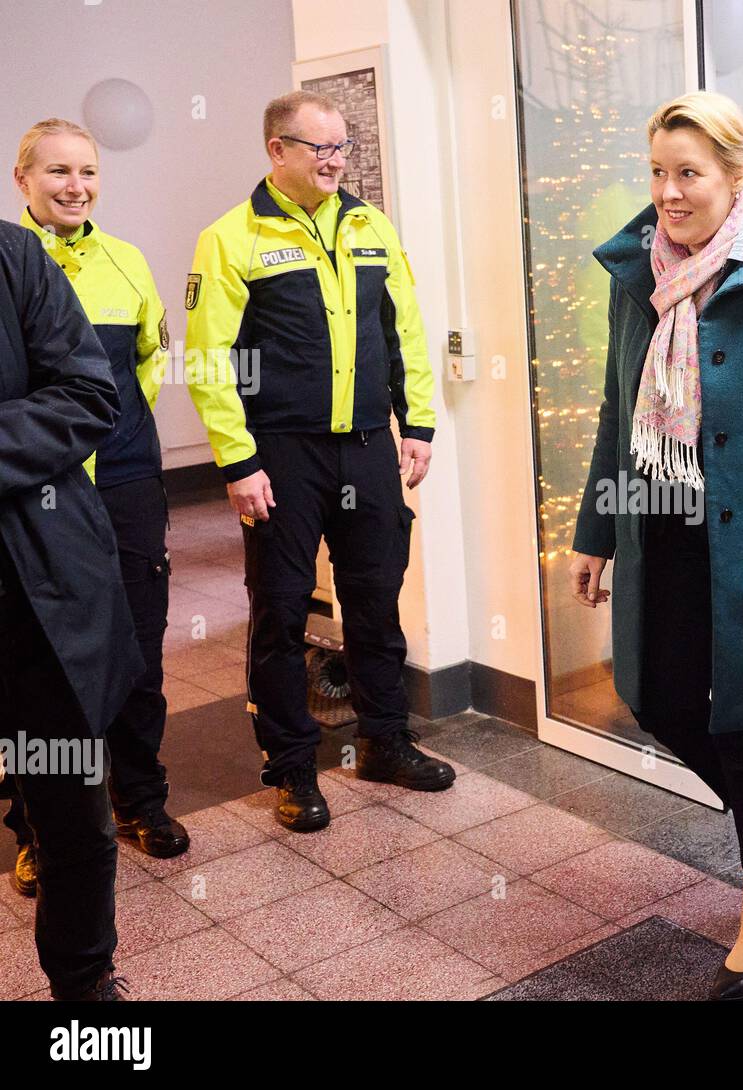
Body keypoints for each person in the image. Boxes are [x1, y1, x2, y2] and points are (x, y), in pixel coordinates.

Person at [569, 91, 743, 1000]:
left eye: (690, 174)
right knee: (659, 696)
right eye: (658, 173)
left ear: (736, 175)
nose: (669, 194)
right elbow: (614, 407)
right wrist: (595, 532)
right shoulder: (637, 270)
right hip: (658, 515)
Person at [185, 90, 454, 833]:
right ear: (278, 150)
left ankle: (384, 741)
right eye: (321, 148)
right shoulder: (231, 238)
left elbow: (405, 327)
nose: (336, 162)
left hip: (367, 444)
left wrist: (419, 421)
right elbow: (208, 360)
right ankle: (294, 769)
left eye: (343, 149)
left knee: (375, 598)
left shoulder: (370, 227)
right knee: (280, 610)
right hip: (282, 453)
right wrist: (238, 462)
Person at [4, 120, 189, 898]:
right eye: (57, 172)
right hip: (33, 505)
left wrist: (110, 445)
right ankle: (38, 830)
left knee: (138, 651)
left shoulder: (128, 262)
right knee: (39, 669)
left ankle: (140, 799)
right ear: (23, 179)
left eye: (86, 171)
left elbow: (147, 361)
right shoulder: (13, 265)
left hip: (121, 483)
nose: (74, 186)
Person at [0, 215, 144, 1000]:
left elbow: (89, 392)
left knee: (73, 820)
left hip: (34, 600)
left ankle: (85, 991)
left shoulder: (15, 257)